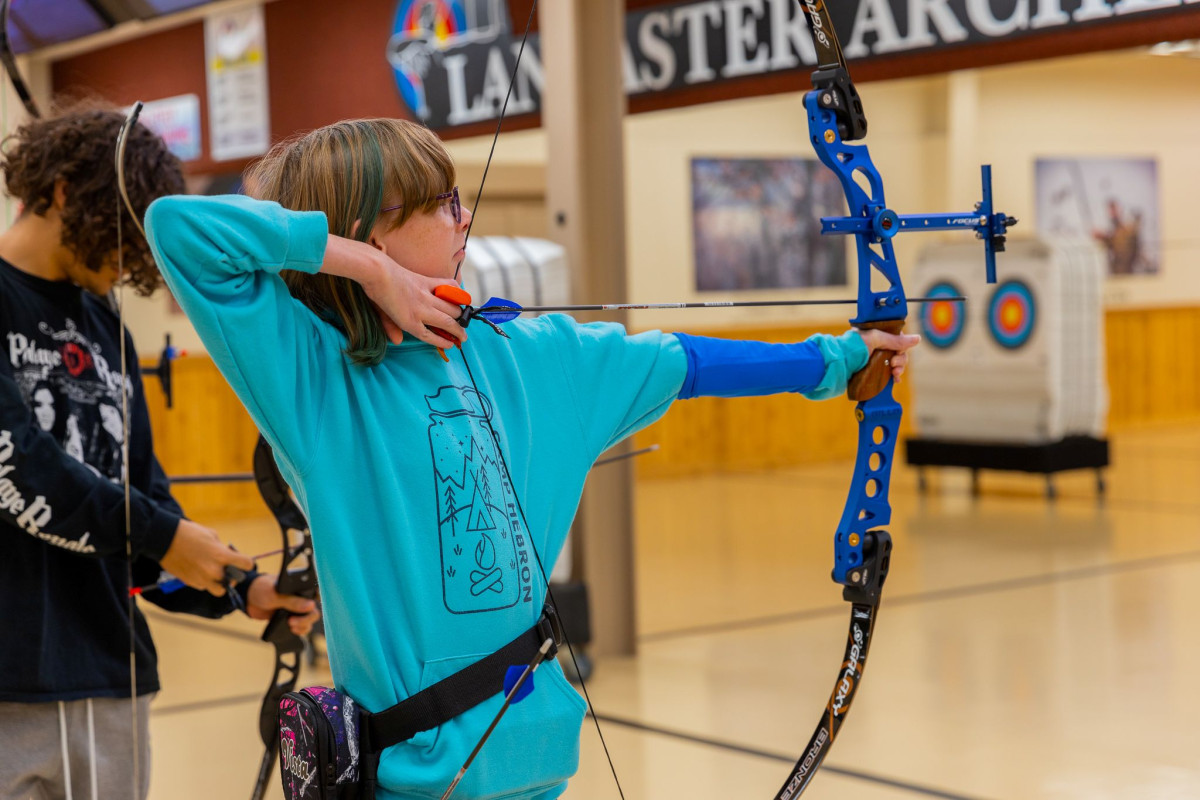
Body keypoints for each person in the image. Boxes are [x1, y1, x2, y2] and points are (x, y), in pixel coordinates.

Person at [143, 117, 919, 800]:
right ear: (366, 233)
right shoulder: (315, 383)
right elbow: (179, 228)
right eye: (442, 203)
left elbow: (683, 361)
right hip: (421, 779)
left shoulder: (532, 355)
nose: (465, 214)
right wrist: (372, 271)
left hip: (540, 762)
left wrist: (838, 360)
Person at [0, 106, 319, 800]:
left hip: (114, 677)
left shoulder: (106, 325)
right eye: (123, 224)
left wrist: (238, 587)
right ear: (60, 190)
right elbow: (20, 471)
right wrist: (165, 535)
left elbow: (145, 511)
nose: (133, 256)